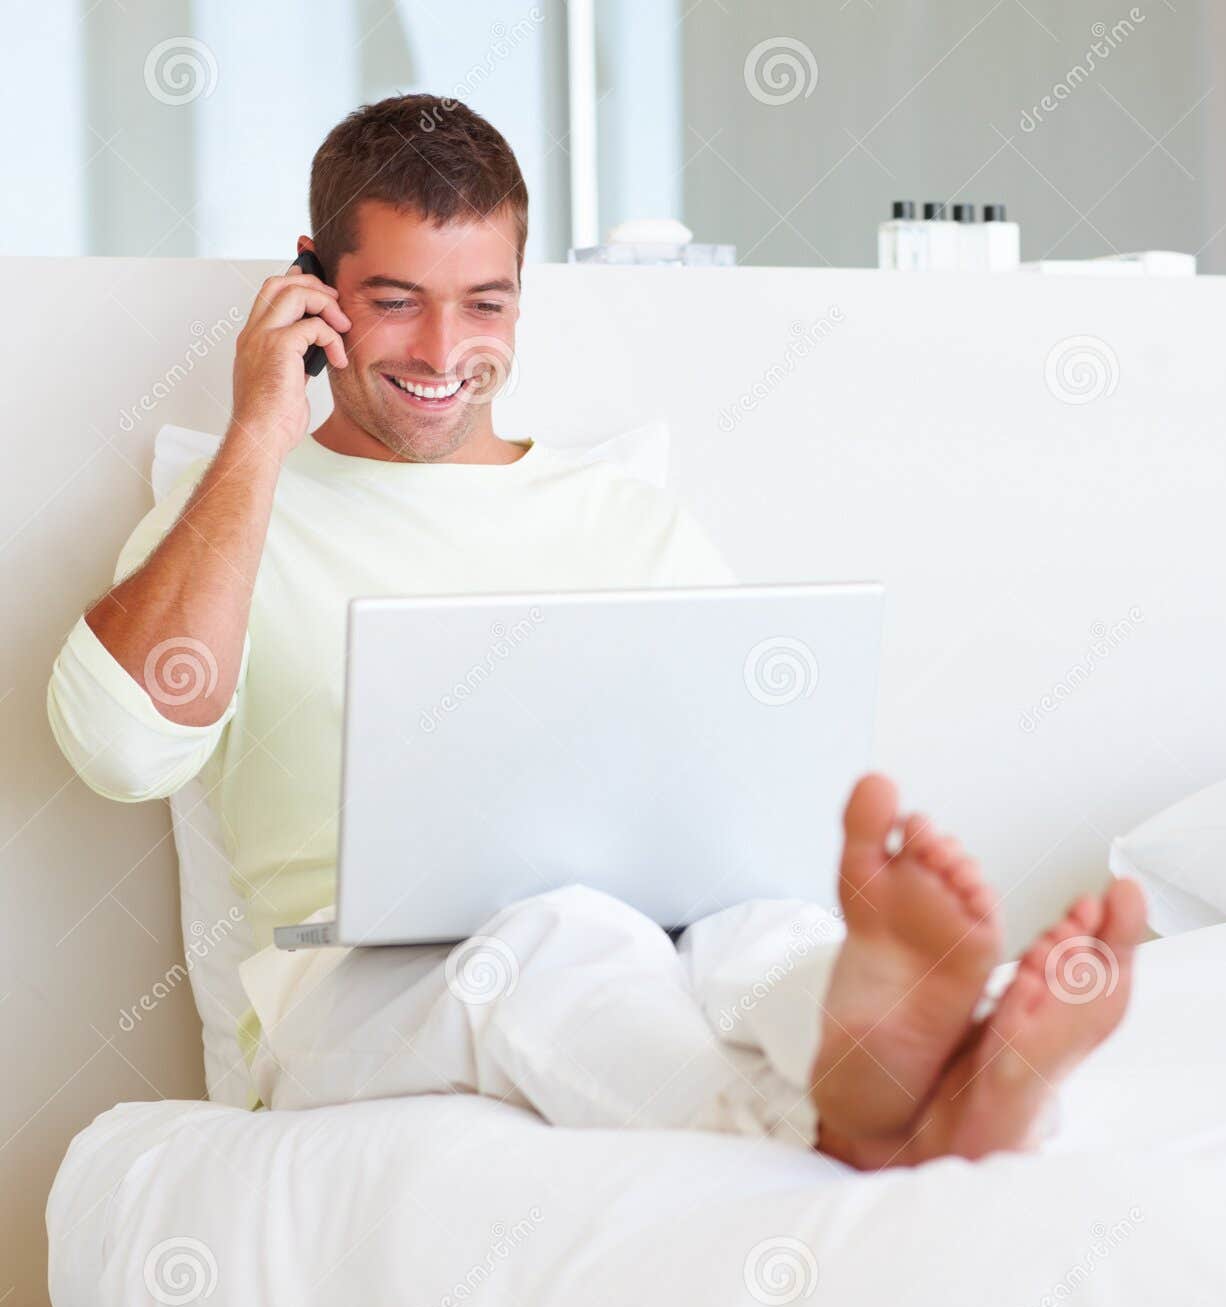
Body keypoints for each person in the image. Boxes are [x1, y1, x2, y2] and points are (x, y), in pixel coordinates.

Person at [46, 94, 1146, 1167]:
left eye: (484, 303)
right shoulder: (233, 516)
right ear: (312, 283)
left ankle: (911, 1054)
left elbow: (747, 796)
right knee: (558, 939)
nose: (443, 349)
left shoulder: (621, 518)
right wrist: (256, 435)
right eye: (395, 299)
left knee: (757, 925)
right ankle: (821, 1114)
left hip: (649, 940)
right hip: (356, 988)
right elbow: (120, 750)